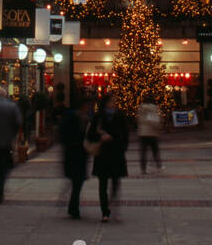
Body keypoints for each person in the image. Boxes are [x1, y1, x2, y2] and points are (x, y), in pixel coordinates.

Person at [90, 91, 129, 220]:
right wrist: (101, 136)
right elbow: (90, 134)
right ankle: (105, 211)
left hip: (116, 152)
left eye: (114, 101)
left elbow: (125, 132)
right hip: (103, 153)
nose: (114, 104)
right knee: (103, 184)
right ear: (106, 102)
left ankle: (112, 202)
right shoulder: (98, 116)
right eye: (112, 101)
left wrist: (123, 147)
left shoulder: (120, 115)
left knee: (116, 181)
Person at [59, 95, 93, 218]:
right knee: (77, 182)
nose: (89, 108)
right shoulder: (75, 117)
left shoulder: (85, 118)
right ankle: (73, 208)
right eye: (88, 106)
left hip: (78, 154)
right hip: (75, 154)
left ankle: (73, 207)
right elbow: (64, 134)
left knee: (76, 182)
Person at [136, 97, 162, 173]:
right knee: (155, 151)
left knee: (143, 152)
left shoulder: (140, 108)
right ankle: (159, 166)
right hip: (152, 133)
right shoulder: (154, 108)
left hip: (142, 133)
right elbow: (155, 121)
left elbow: (139, 120)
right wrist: (158, 127)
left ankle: (143, 169)